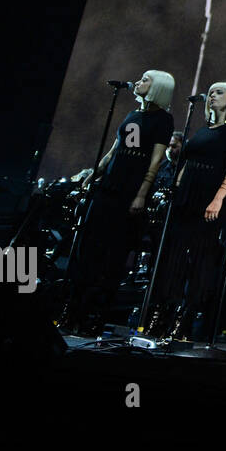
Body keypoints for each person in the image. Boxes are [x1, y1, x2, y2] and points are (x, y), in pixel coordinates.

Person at [62, 70, 176, 333]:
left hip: (130, 191)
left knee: (112, 256)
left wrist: (141, 194)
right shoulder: (131, 116)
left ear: (158, 87)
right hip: (108, 187)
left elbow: (156, 160)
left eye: (145, 79)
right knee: (87, 249)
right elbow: (115, 150)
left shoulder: (163, 120)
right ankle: (74, 310)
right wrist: (94, 172)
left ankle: (95, 316)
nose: (138, 82)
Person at [147, 83, 226, 339]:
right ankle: (162, 314)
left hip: (210, 198)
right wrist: (177, 188)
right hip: (186, 199)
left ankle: (186, 318)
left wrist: (218, 199)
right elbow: (186, 163)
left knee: (200, 260)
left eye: (219, 92)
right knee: (173, 259)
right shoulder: (202, 130)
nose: (213, 95)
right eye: (211, 92)